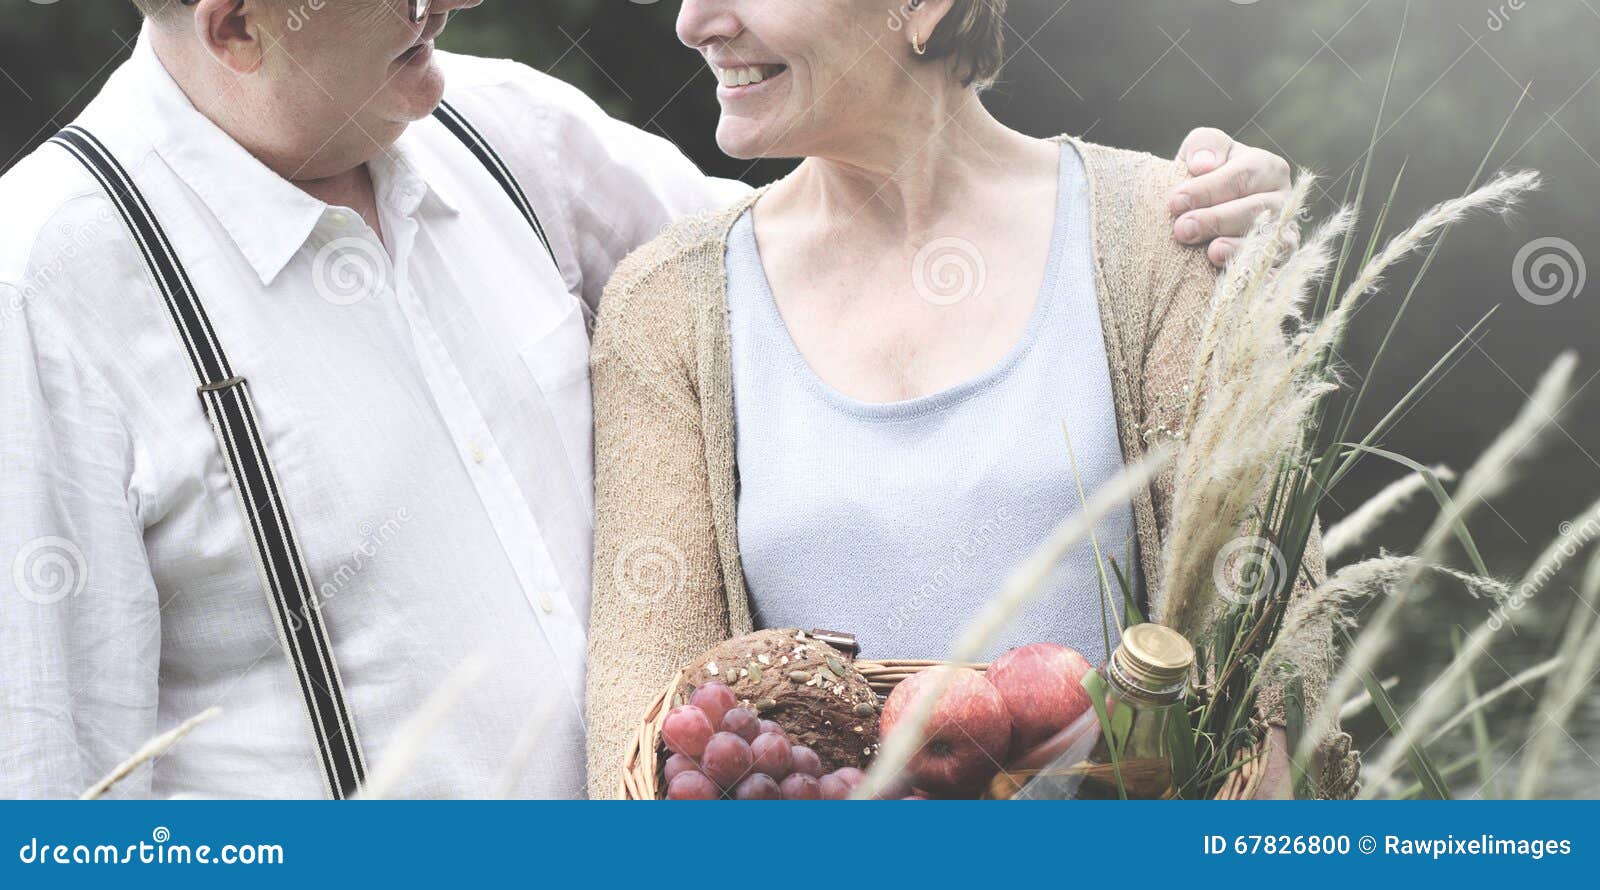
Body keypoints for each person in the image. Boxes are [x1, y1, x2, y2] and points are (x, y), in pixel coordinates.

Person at [0, 0, 1294, 799]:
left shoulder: (494, 131)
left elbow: (817, 261)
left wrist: (1211, 216)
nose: (452, 1)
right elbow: (47, 783)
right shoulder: (46, 280)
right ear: (237, 23)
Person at [585, 0, 1329, 799]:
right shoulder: (668, 307)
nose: (694, 22)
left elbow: (1266, 666)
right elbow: (645, 714)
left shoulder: (1171, 235)